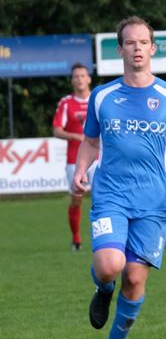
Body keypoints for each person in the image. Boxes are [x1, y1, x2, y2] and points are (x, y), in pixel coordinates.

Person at [72, 15, 166, 339]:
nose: (137, 48)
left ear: (153, 48)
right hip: (110, 195)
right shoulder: (102, 96)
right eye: (130, 42)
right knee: (110, 265)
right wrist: (80, 169)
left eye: (143, 42)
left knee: (133, 277)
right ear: (120, 49)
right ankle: (102, 288)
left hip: (153, 201)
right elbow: (89, 141)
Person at [52, 63, 95, 251]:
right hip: (74, 160)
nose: (79, 79)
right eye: (76, 76)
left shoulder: (98, 99)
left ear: (89, 79)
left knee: (103, 199)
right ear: (72, 80)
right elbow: (56, 130)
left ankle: (104, 240)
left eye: (82, 76)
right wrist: (76, 136)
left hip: (100, 159)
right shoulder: (66, 103)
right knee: (77, 199)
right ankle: (76, 238)